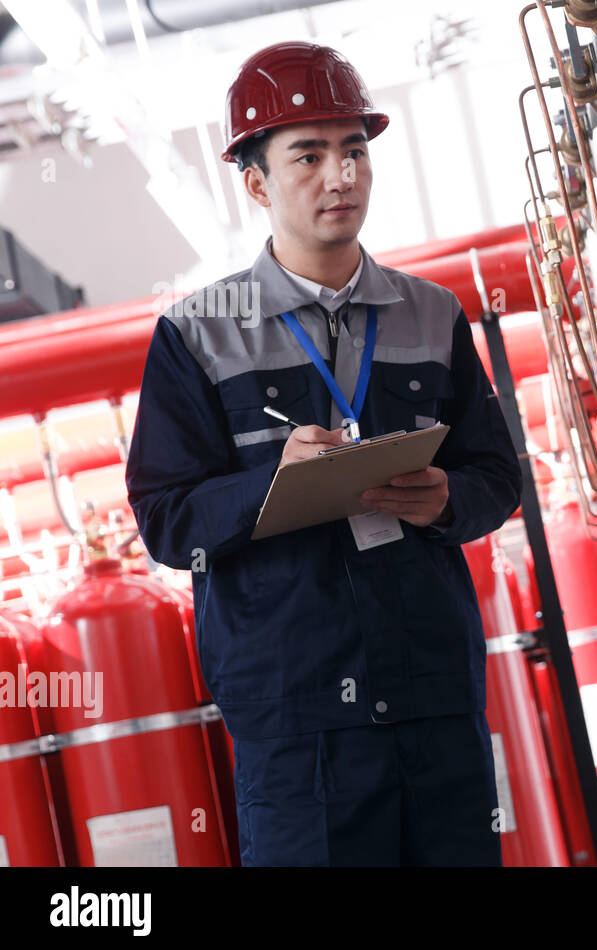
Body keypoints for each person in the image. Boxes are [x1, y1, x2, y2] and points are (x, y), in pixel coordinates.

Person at [125, 41, 522, 866]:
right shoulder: (197, 334)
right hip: (298, 723)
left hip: (433, 697)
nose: (340, 176)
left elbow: (496, 477)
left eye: (354, 151)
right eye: (308, 155)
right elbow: (168, 522)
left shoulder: (432, 314)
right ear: (258, 183)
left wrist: (447, 496)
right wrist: (275, 486)